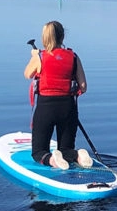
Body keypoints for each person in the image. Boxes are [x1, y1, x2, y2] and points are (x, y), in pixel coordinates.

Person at [23, 20, 92, 170]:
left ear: (44, 38)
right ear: (62, 36)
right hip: (68, 108)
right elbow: (83, 87)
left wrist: (34, 56)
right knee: (66, 149)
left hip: (46, 108)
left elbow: (27, 74)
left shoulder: (40, 56)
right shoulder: (73, 56)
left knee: (38, 152)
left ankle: (53, 160)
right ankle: (78, 155)